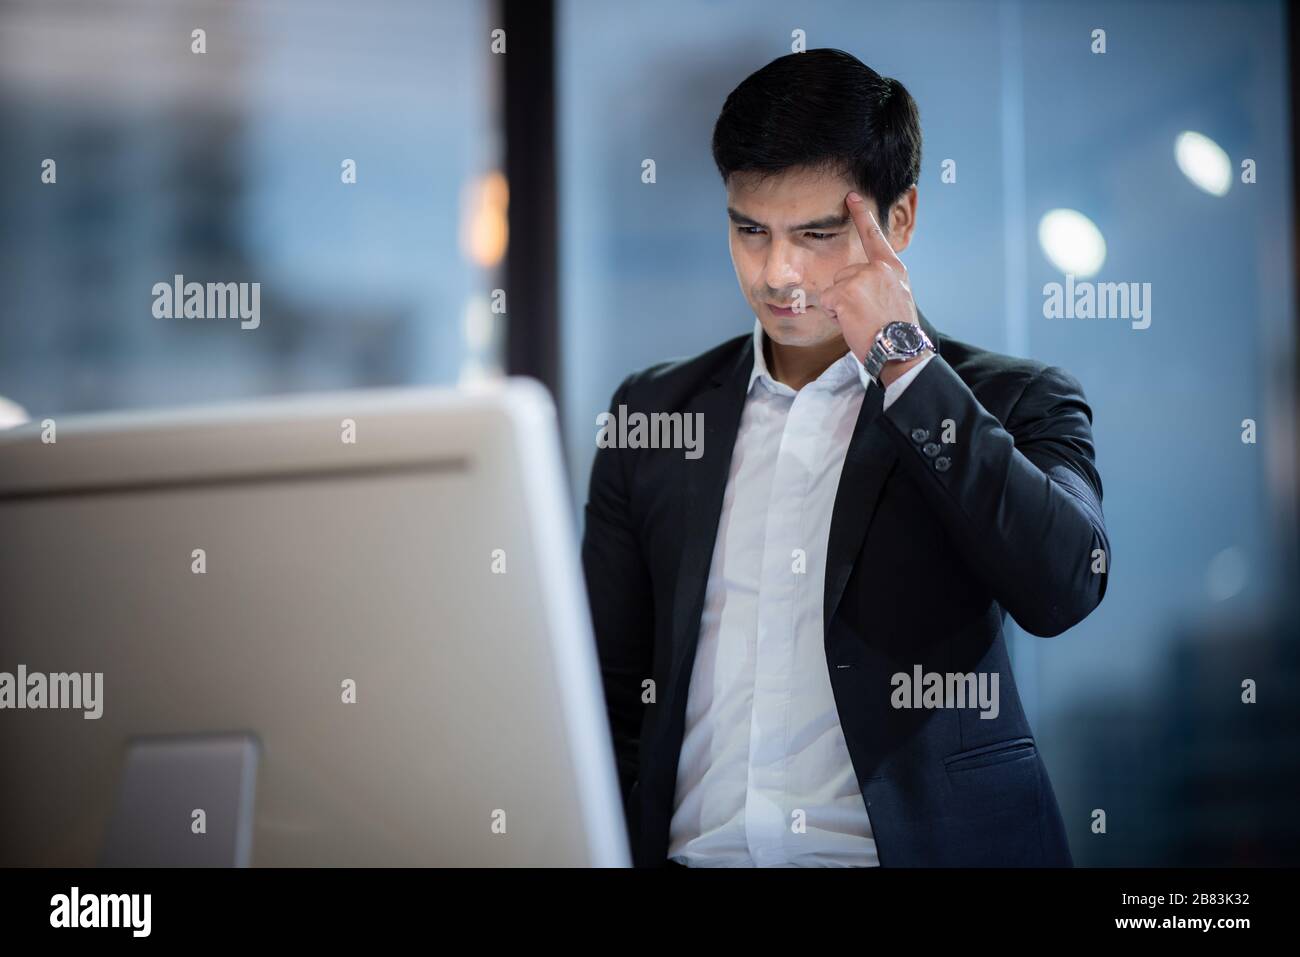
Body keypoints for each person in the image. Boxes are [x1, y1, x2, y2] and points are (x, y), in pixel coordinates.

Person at [581, 48, 1109, 867]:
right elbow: (604, 695)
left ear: (898, 220)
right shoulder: (654, 414)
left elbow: (1065, 584)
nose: (777, 272)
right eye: (749, 229)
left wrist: (905, 365)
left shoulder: (1013, 399)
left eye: (817, 234)